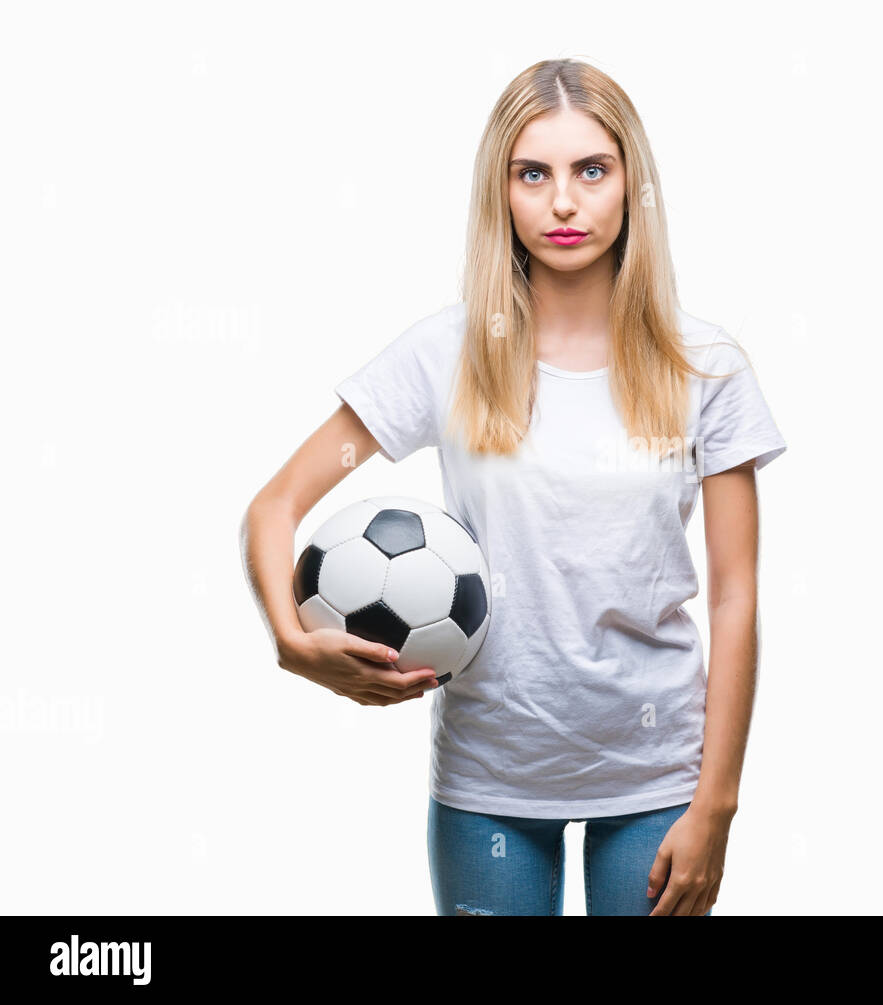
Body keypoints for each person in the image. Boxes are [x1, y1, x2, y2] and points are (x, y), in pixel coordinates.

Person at [239, 58, 786, 916]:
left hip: (657, 778)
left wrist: (716, 802)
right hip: (490, 780)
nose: (563, 202)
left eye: (591, 170)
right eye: (533, 174)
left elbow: (734, 594)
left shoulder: (705, 366)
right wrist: (288, 637)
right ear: (500, 191)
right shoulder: (445, 355)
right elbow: (276, 505)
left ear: (633, 185)